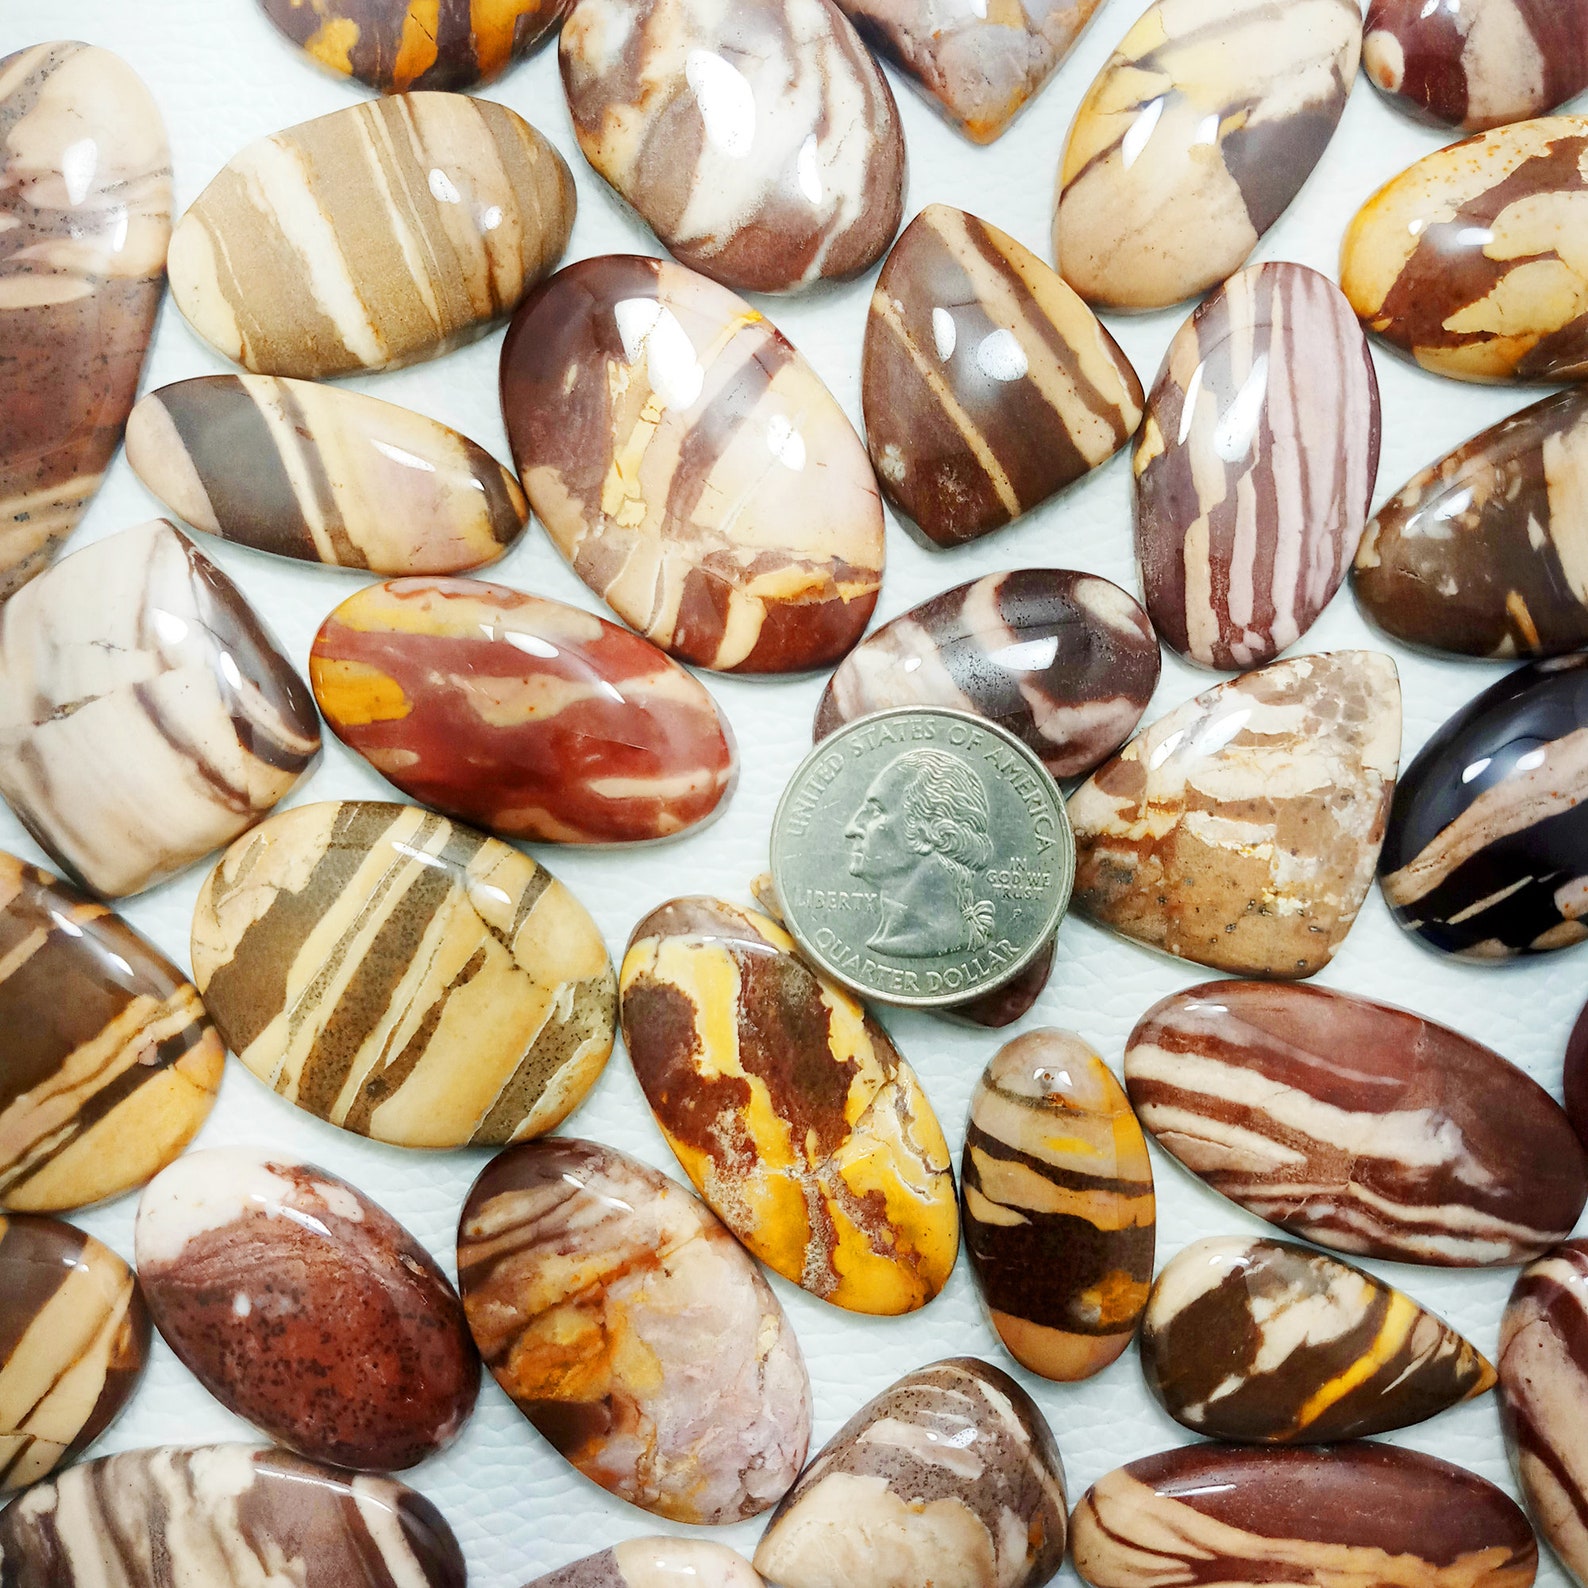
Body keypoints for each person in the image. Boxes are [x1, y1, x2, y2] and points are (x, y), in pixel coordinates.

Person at [844, 747, 996, 957]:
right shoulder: (887, 938)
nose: (851, 829)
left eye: (877, 811)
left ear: (930, 833)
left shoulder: (927, 939)